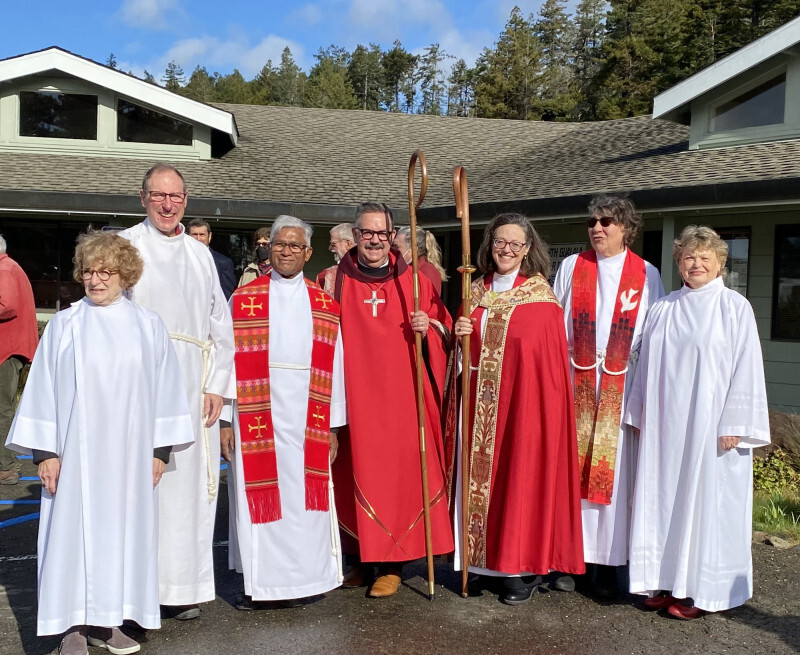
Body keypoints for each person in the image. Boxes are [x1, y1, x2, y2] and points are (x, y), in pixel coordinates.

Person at [5, 232, 194, 655]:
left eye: (105, 271)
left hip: (130, 458)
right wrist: (47, 454)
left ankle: (109, 623)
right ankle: (71, 627)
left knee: (122, 536)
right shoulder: (66, 325)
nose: (95, 279)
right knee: (70, 538)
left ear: (124, 274)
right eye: (89, 271)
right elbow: (42, 391)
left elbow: (166, 390)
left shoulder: (148, 326)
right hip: (75, 458)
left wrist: (159, 452)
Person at [624, 225, 770, 619]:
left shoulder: (734, 308)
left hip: (712, 428)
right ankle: (665, 581)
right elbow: (646, 367)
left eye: (705, 257)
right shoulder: (663, 308)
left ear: (720, 263)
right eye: (689, 256)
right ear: (679, 262)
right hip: (665, 428)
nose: (696, 263)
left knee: (703, 505)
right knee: (665, 502)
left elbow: (747, 368)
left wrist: (735, 423)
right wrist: (637, 411)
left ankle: (700, 592)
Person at [119, 164, 235, 621]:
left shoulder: (199, 254)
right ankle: (133, 589)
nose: (168, 204)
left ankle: (180, 586)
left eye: (177, 196)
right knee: (141, 482)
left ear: (186, 200)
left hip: (192, 384)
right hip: (140, 379)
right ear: (143, 197)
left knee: (187, 487)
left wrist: (216, 388)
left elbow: (219, 326)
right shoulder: (127, 246)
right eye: (159, 195)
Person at [450, 213, 585, 605]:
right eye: (499, 242)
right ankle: (476, 565)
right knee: (477, 483)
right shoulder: (473, 291)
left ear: (528, 250)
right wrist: (458, 340)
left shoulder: (540, 299)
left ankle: (518, 571)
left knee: (519, 479)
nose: (506, 250)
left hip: (521, 410)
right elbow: (457, 360)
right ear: (489, 246)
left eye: (515, 244)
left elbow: (544, 366)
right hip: (478, 410)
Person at [222, 215, 346, 609]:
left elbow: (337, 366)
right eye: (280, 244)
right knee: (259, 495)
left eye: (295, 245)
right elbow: (226, 358)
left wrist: (333, 426)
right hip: (258, 409)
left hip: (309, 411)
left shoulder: (325, 304)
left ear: (308, 253)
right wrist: (226, 417)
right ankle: (264, 585)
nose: (287, 251)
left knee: (303, 500)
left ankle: (308, 579)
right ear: (268, 247)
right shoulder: (243, 299)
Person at [332, 202, 453, 598]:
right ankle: (362, 560)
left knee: (397, 480)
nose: (374, 241)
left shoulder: (415, 283)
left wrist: (429, 326)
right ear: (355, 235)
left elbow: (446, 333)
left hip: (403, 399)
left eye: (381, 234)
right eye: (366, 233)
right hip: (354, 397)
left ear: (392, 237)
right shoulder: (334, 280)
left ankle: (393, 564)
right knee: (353, 473)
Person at [552, 195, 664, 596]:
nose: (597, 228)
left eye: (606, 222)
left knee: (612, 477)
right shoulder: (571, 266)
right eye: (592, 222)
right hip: (576, 377)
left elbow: (654, 335)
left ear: (626, 228)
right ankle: (570, 561)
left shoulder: (646, 272)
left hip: (621, 380)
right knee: (571, 469)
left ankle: (608, 566)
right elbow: (553, 319)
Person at [0, 235, 38, 485]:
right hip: (12, 348)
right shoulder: (9, 266)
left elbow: (6, 305)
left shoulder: (3, 268)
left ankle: (5, 467)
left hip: (6, 349)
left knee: (1, 408)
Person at [187, 217, 236, 300]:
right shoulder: (179, 259)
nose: (198, 239)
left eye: (202, 235)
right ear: (187, 236)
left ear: (209, 236)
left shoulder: (223, 263)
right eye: (194, 234)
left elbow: (227, 297)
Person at [393, 226, 448, 296]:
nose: (393, 250)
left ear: (412, 250)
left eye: (396, 247)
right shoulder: (407, 268)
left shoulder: (426, 271)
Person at [316, 223, 354, 295]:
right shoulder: (324, 276)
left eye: (333, 244)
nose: (330, 248)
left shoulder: (373, 272)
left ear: (348, 244)